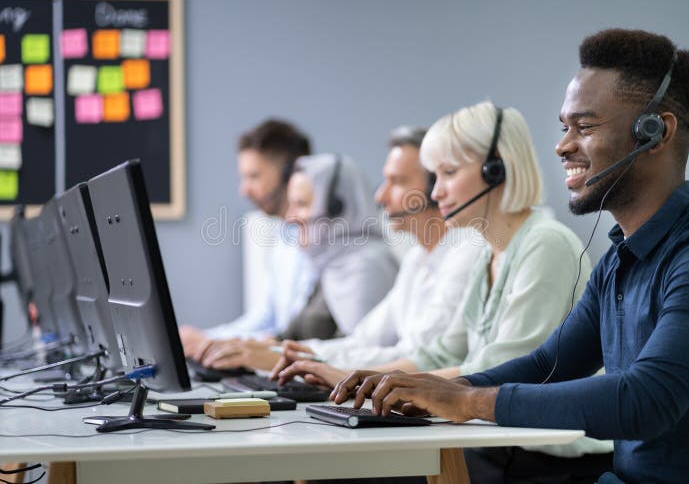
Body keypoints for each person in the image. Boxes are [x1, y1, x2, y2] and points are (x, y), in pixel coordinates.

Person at [333, 30, 689, 483]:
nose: (562, 145)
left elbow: (646, 400)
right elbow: (547, 366)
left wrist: (469, 402)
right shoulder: (618, 262)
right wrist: (441, 388)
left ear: (656, 132)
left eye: (585, 127)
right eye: (564, 127)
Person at [279, 101, 612, 479]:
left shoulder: (544, 244)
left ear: (496, 170)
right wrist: (365, 378)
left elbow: (506, 367)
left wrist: (404, 387)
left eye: (448, 173)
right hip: (495, 443)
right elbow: (444, 351)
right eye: (434, 176)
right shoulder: (488, 250)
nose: (435, 192)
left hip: (548, 459)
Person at [266, 126, 482, 385]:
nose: (381, 196)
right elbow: (364, 339)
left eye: (398, 182)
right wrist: (303, 355)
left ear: (435, 188)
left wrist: (316, 362)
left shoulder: (464, 256)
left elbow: (419, 356)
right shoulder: (416, 259)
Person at [197, 153, 400, 371]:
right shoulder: (332, 263)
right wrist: (243, 346)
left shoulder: (367, 266)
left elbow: (361, 357)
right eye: (291, 204)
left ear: (337, 207)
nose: (290, 217)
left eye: (301, 204)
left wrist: (277, 355)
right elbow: (290, 334)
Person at [178, 119, 315, 359]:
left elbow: (295, 334)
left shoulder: (320, 243)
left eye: (254, 176)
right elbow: (265, 318)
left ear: (290, 175)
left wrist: (210, 342)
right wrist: (206, 338)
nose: (244, 190)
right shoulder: (283, 238)